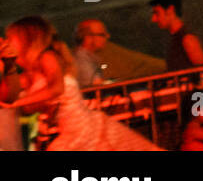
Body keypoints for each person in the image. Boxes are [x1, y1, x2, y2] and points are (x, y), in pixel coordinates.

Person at [0, 17, 161, 151]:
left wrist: (16, 103)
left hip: (81, 129)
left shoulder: (47, 57)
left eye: (10, 38)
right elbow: (15, 97)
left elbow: (56, 89)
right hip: (71, 130)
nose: (7, 42)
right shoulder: (30, 73)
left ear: (27, 39)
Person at [149, 0, 203, 71]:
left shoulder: (187, 39)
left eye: (157, 13)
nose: (153, 19)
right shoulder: (176, 39)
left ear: (170, 10)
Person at [73, 19, 110, 88]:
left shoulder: (87, 57)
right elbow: (94, 87)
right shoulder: (81, 59)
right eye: (102, 34)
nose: (108, 36)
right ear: (88, 37)